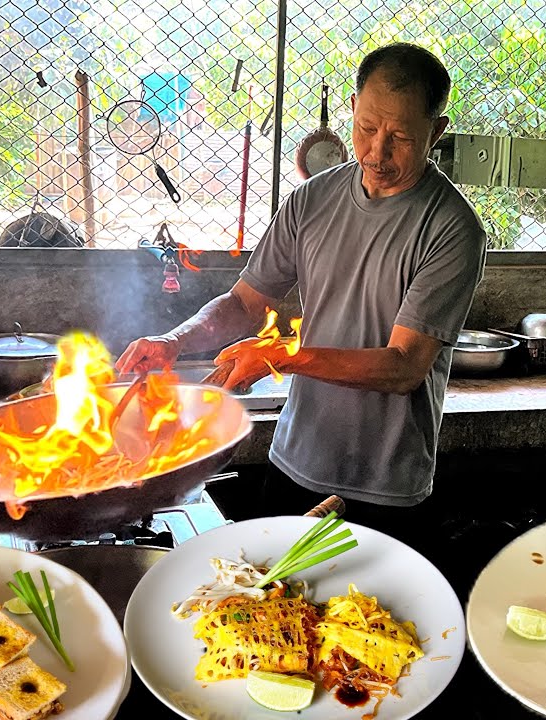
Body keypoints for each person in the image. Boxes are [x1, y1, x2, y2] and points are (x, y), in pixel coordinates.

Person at [115, 43, 487, 535]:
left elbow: (404, 367)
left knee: (366, 614)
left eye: (399, 137)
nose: (377, 151)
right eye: (368, 129)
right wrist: (175, 341)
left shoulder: (452, 228)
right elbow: (246, 303)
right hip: (297, 459)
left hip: (385, 484)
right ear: (352, 108)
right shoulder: (312, 199)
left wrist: (280, 358)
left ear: (435, 131)